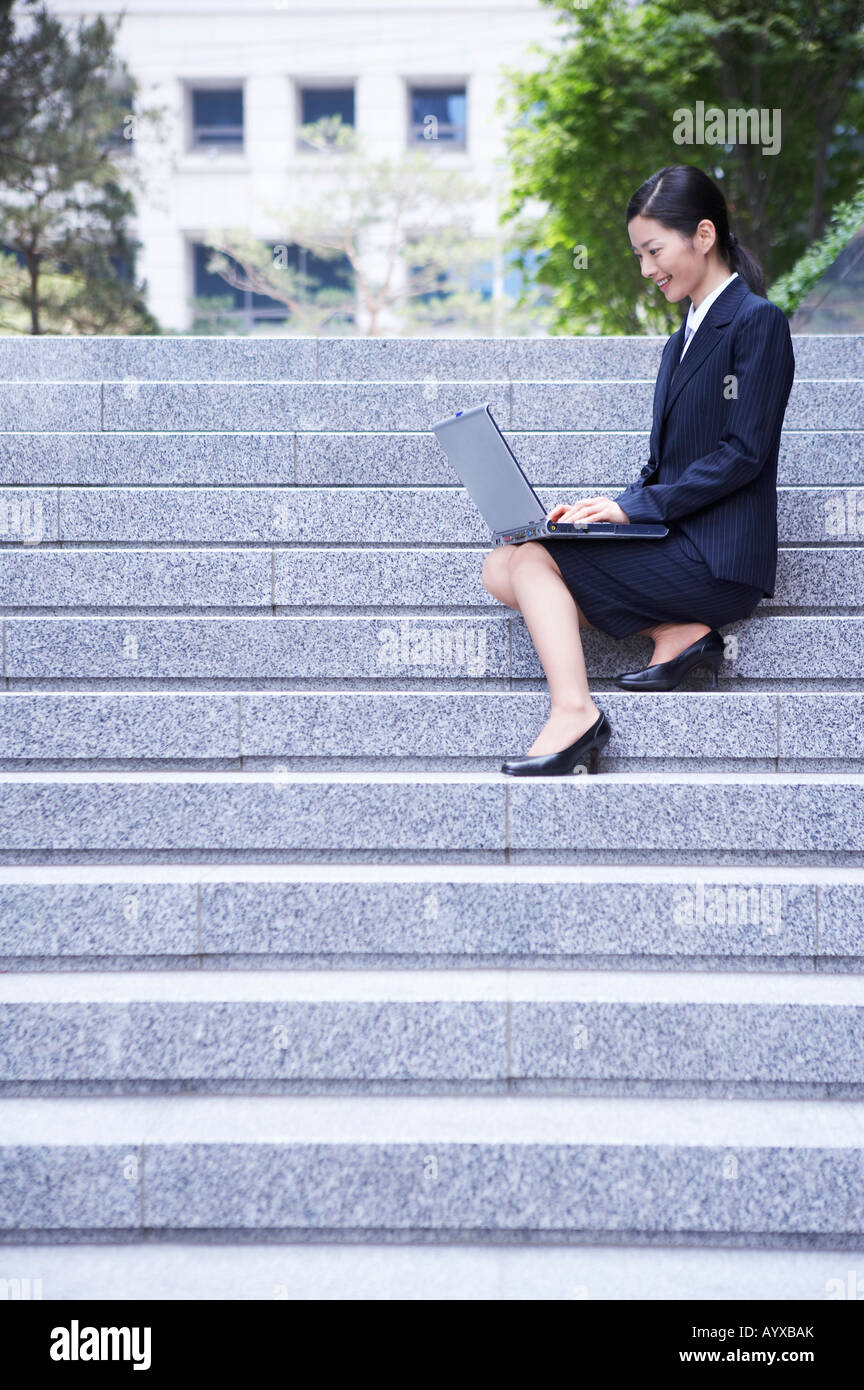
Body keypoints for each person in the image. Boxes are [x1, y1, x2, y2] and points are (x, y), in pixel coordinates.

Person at [482, 163, 795, 777]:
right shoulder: (679, 340)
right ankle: (678, 630)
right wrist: (608, 509)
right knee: (503, 564)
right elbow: (664, 466)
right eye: (640, 254)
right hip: (677, 539)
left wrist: (634, 511)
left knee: (530, 561)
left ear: (703, 236)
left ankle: (575, 713)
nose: (647, 269)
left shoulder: (757, 321)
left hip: (719, 556)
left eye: (654, 250)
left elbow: (743, 453)